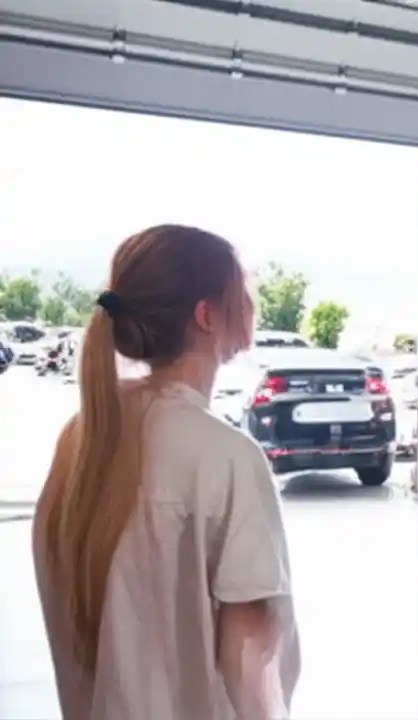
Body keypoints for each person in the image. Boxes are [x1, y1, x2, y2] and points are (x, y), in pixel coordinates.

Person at [32, 225, 301, 720]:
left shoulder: (83, 437)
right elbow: (251, 663)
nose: (254, 301)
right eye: (243, 287)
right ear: (206, 315)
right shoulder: (226, 457)